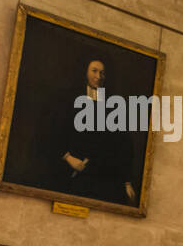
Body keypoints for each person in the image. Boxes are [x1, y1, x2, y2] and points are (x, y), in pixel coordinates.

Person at [48, 55, 140, 205]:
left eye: (102, 73)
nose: (98, 76)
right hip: (70, 169)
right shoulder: (67, 98)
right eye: (94, 71)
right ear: (85, 72)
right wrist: (68, 158)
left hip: (99, 174)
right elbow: (54, 131)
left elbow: (123, 143)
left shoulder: (111, 104)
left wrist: (127, 182)